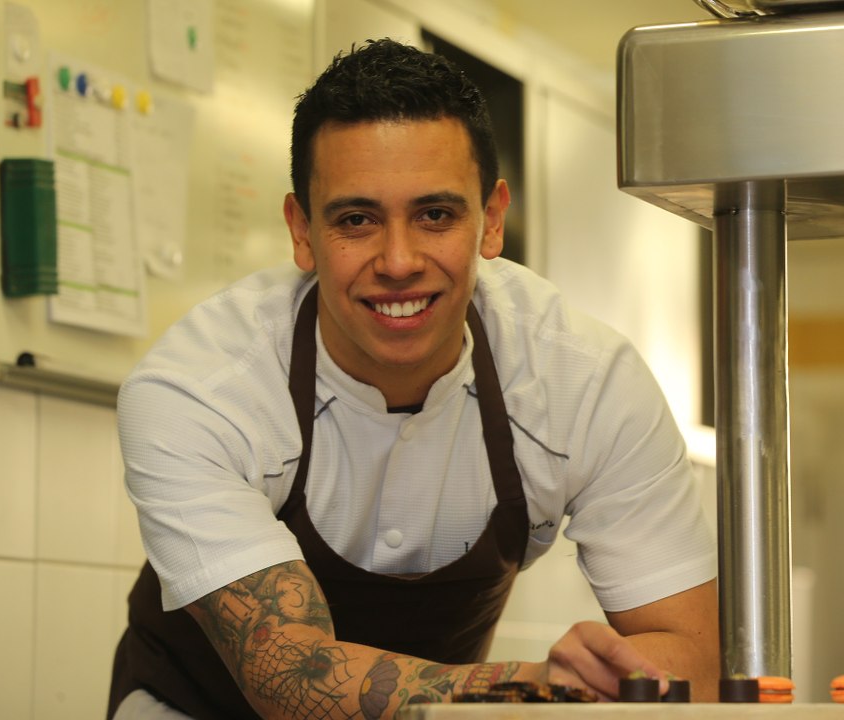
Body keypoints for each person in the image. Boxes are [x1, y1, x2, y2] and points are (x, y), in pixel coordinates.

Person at [107, 38, 718, 720]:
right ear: (302, 231)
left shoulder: (587, 384)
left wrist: (598, 681)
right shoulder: (199, 388)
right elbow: (289, 676)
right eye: (357, 219)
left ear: (491, 221)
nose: (398, 262)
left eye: (435, 215)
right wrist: (532, 690)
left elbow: (694, 659)